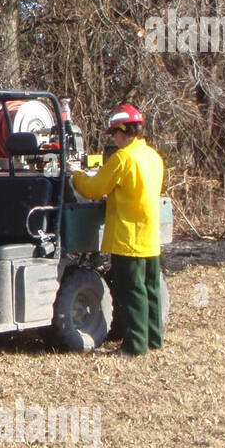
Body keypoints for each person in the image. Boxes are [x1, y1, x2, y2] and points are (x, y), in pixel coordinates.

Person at [69, 103, 165, 356]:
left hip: (128, 238)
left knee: (132, 291)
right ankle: (153, 339)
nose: (113, 139)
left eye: (114, 133)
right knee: (150, 289)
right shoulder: (153, 157)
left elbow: (93, 189)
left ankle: (134, 347)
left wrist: (76, 174)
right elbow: (136, 191)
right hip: (149, 236)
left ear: (124, 130)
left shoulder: (123, 159)